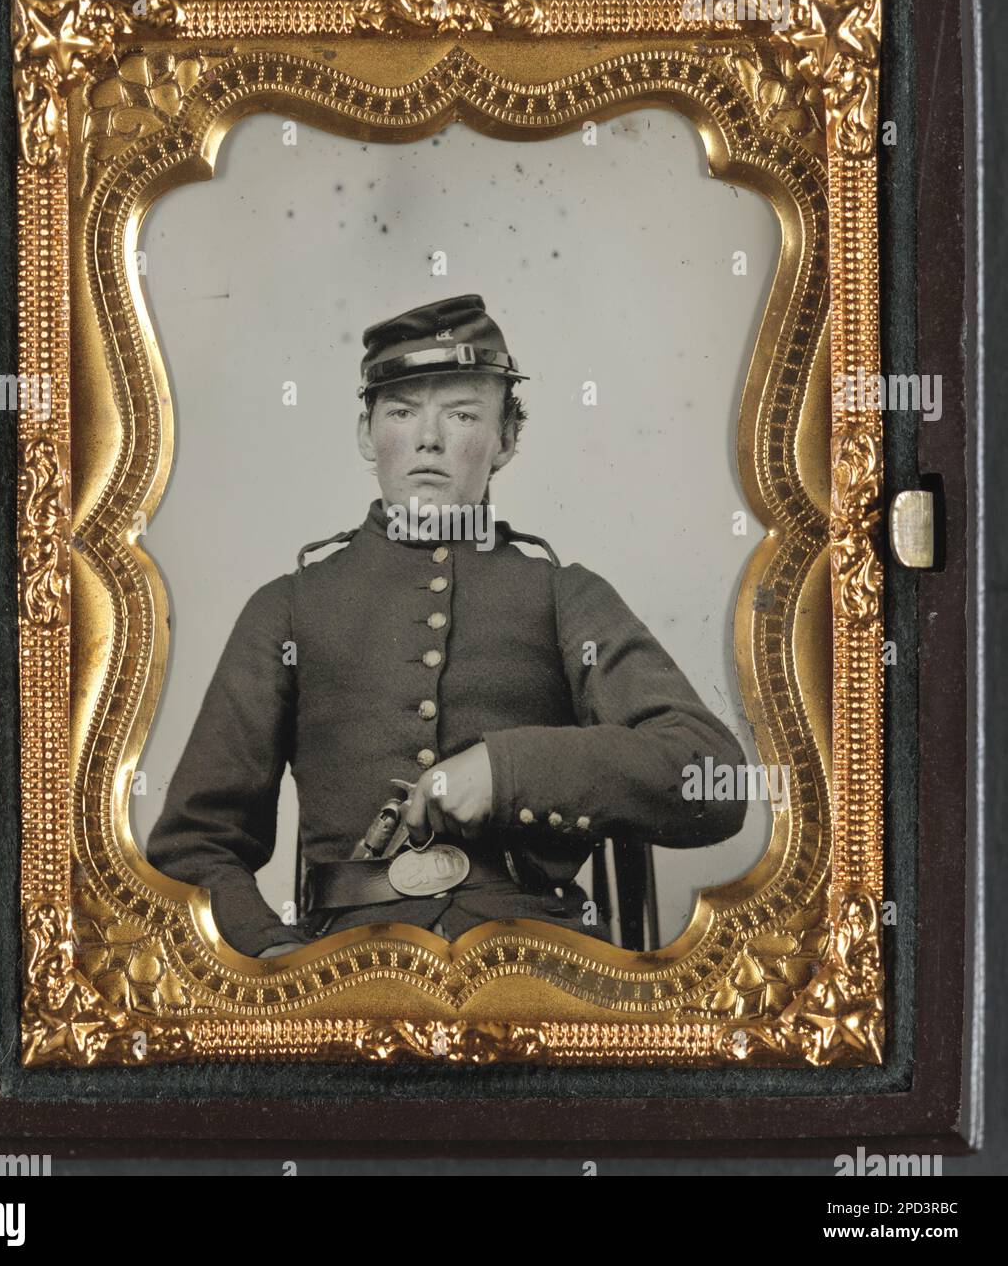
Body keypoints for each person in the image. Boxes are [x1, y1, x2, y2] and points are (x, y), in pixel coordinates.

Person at [147, 295, 747, 958]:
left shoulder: (562, 595)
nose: (428, 439)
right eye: (402, 412)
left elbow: (711, 777)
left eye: (462, 414)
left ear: (507, 440)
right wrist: (271, 955)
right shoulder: (288, 607)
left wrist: (506, 769)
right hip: (348, 976)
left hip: (540, 970)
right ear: (365, 433)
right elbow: (192, 846)